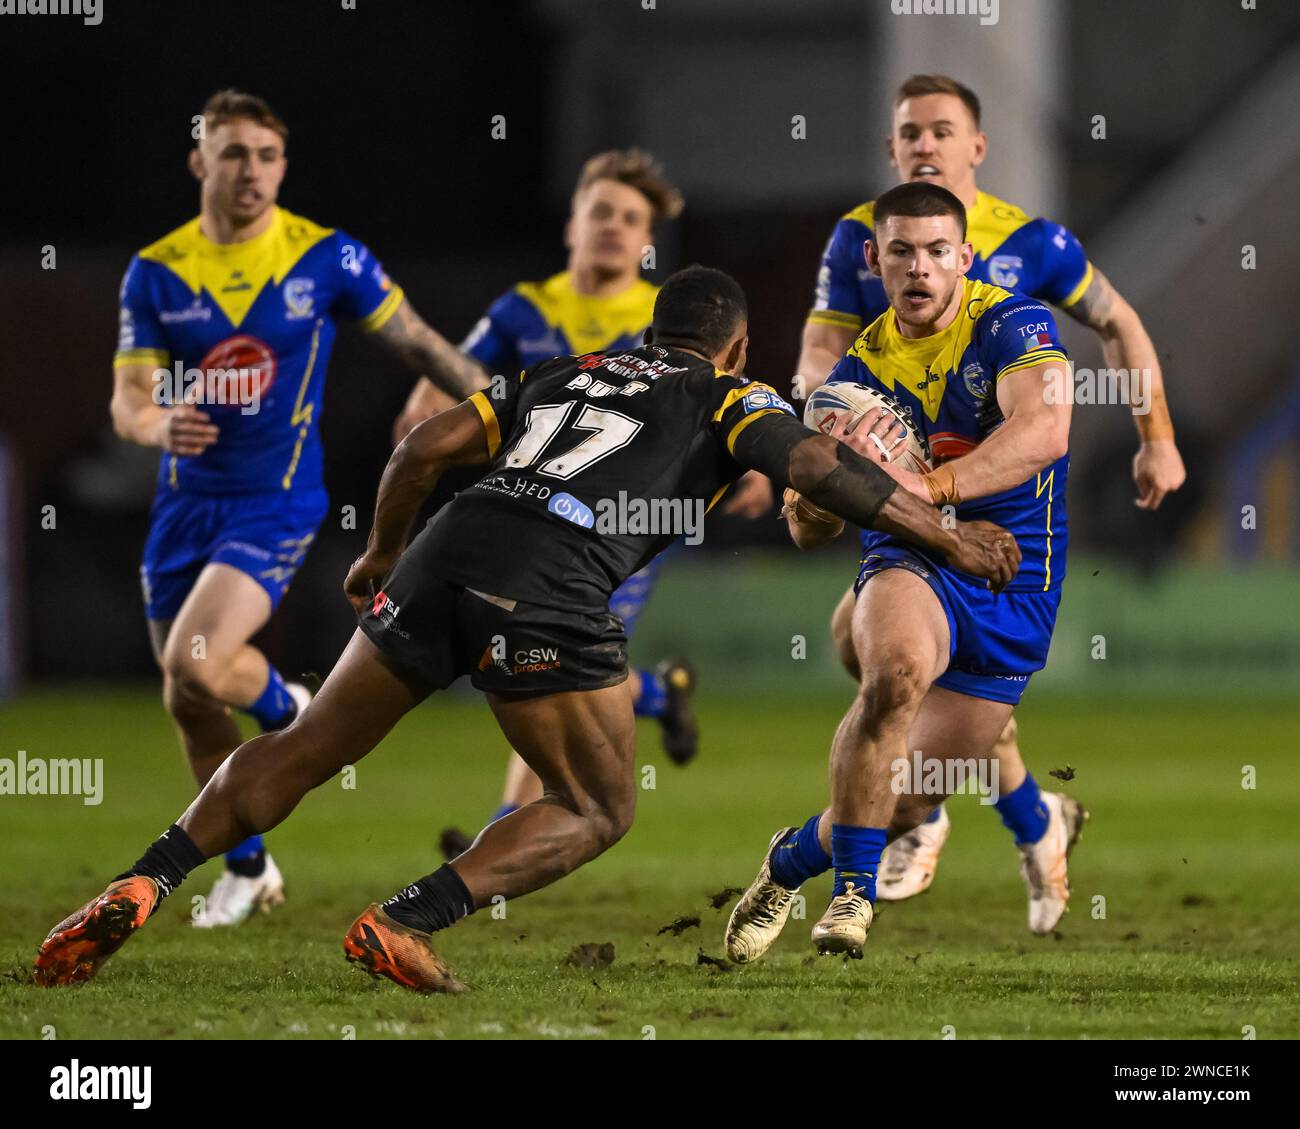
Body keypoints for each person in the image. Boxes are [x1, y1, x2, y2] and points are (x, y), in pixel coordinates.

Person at [36, 265, 1019, 992]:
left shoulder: (563, 371)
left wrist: (380, 554)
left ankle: (147, 876)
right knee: (597, 805)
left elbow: (423, 447)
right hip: (547, 583)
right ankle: (402, 919)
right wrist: (946, 537)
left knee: (303, 747)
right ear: (733, 347)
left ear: (649, 327)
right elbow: (816, 472)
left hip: (443, 551)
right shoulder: (730, 394)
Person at [110, 90, 484, 926]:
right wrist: (155, 421)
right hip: (183, 508)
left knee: (199, 664)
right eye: (235, 153)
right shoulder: (157, 271)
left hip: (274, 501)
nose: (253, 171)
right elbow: (127, 400)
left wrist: (509, 411)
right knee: (187, 698)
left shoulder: (327, 259)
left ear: (284, 167)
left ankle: (288, 706)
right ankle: (249, 867)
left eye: (268, 156)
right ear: (199, 160)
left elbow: (419, 341)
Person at [725, 183, 1081, 964]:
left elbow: (1047, 429)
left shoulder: (1015, 322)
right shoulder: (849, 384)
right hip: (913, 556)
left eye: (935, 251)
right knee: (892, 675)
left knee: (911, 795)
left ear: (964, 256)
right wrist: (815, 506)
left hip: (1015, 579)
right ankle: (852, 897)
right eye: (900, 252)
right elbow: (807, 525)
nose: (919, 268)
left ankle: (788, 862)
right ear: (873, 260)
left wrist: (926, 487)